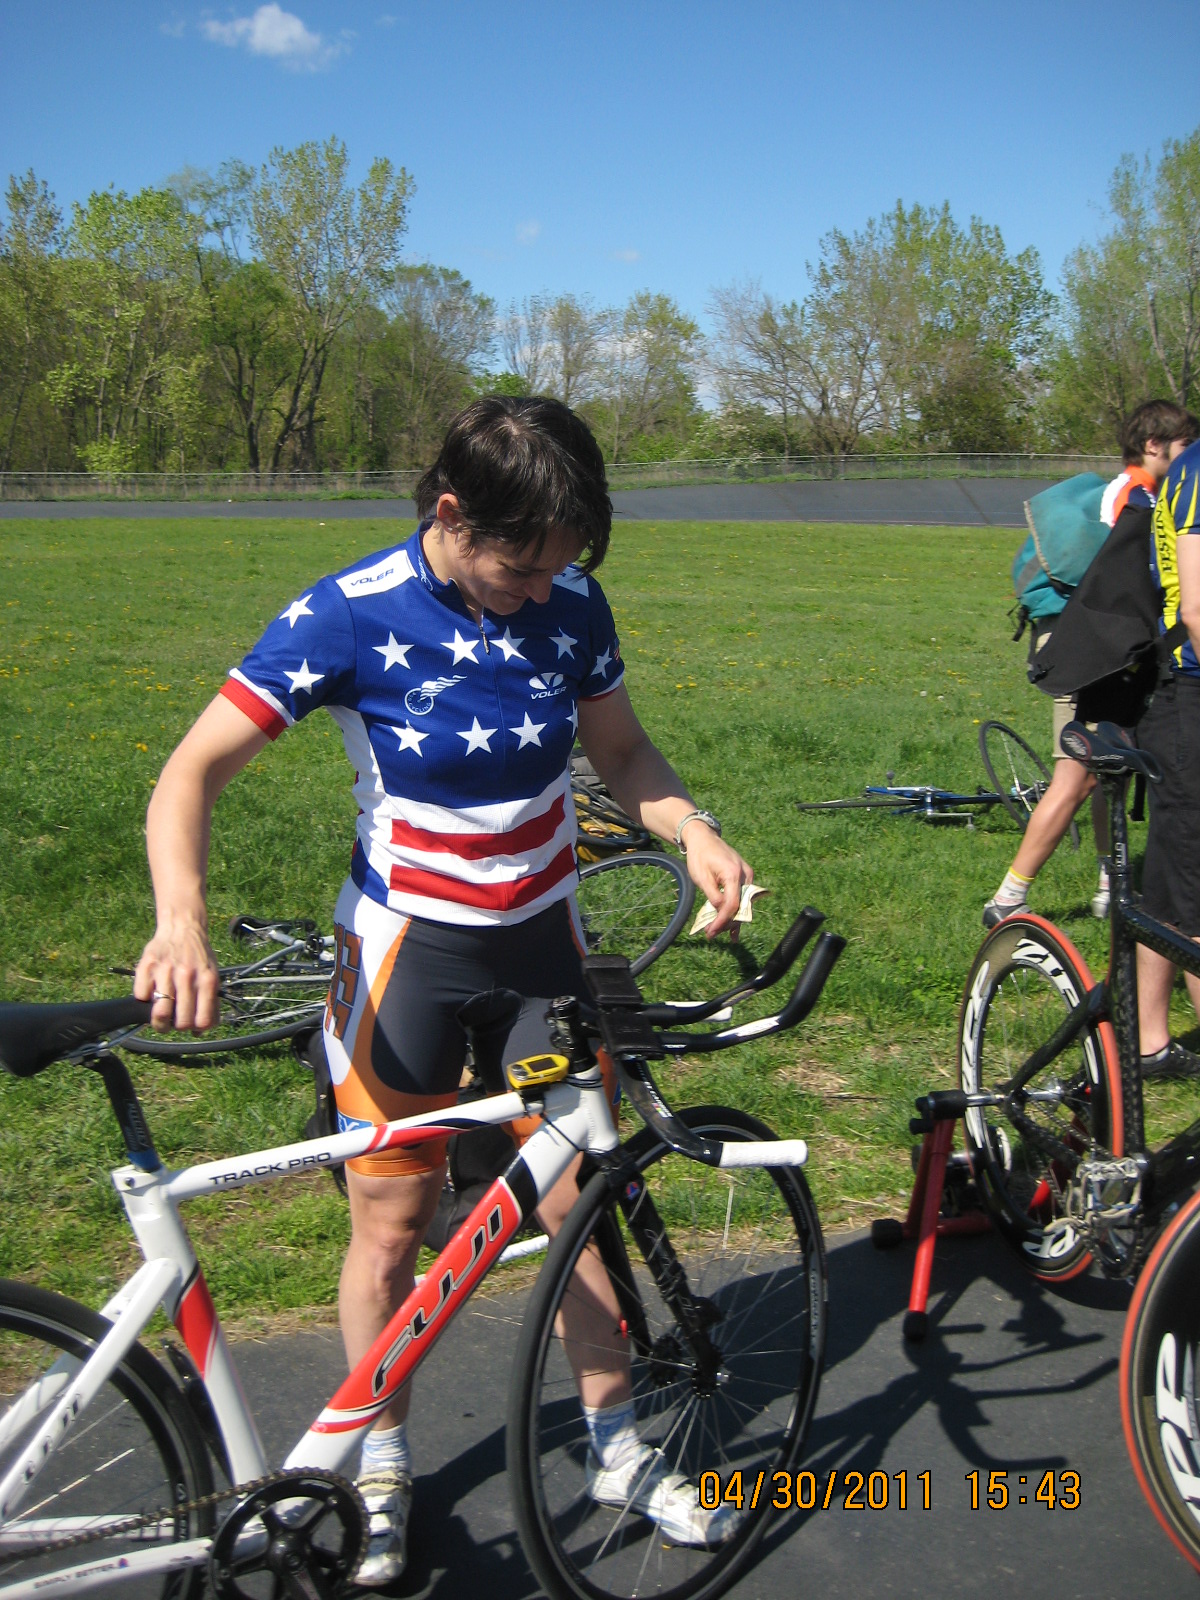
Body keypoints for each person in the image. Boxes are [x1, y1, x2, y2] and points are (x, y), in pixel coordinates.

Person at [133, 397, 751, 1583]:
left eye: (559, 567)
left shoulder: (570, 598)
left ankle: (619, 1445)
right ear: (450, 512)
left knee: (576, 1202)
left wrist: (691, 826)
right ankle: (376, 1461)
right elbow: (190, 770)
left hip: (540, 952)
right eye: (519, 564)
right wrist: (181, 919)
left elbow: (621, 752)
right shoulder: (349, 612)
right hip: (407, 958)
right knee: (394, 1225)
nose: (537, 590)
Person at [983, 400, 1199, 932]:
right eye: (1181, 448)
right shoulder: (1134, 496)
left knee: (1109, 773)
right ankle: (1009, 896)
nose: (1188, 458)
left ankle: (1112, 883)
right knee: (1075, 777)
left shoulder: (1134, 493)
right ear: (1153, 446)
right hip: (1096, 656)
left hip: (1113, 655)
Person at [1133, 430, 1200, 1078]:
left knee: (1174, 872)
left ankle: (1151, 1038)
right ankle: (1151, 1040)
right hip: (1190, 695)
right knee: (1186, 875)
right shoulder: (1198, 470)